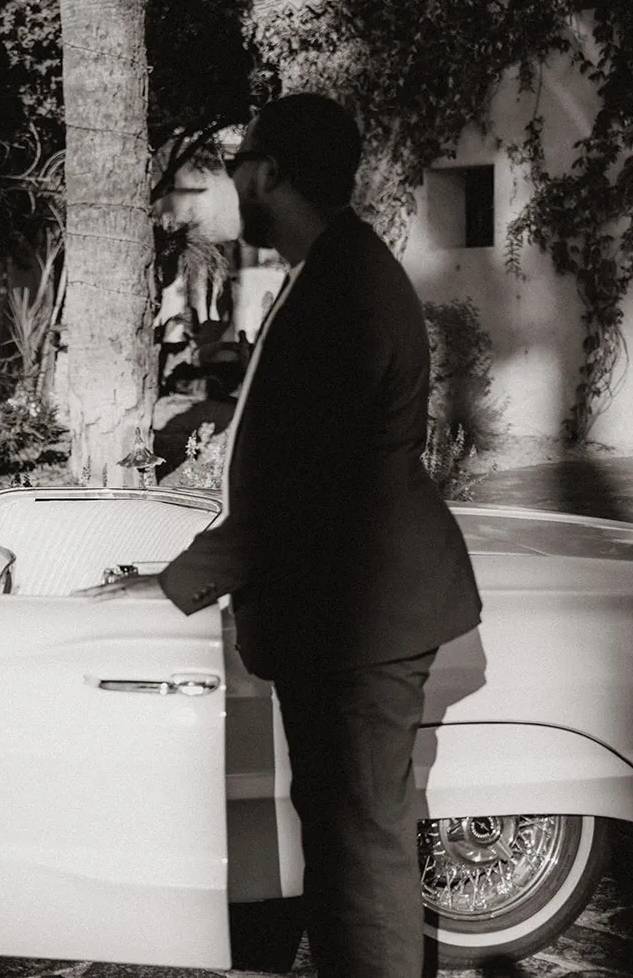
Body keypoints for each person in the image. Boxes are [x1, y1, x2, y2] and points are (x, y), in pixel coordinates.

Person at [91, 93, 482, 977]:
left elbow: (297, 493)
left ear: (268, 170)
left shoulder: (340, 288)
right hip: (356, 605)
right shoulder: (335, 267)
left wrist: (168, 585)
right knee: (351, 842)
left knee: (359, 854)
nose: (232, 184)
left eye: (238, 168)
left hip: (362, 617)